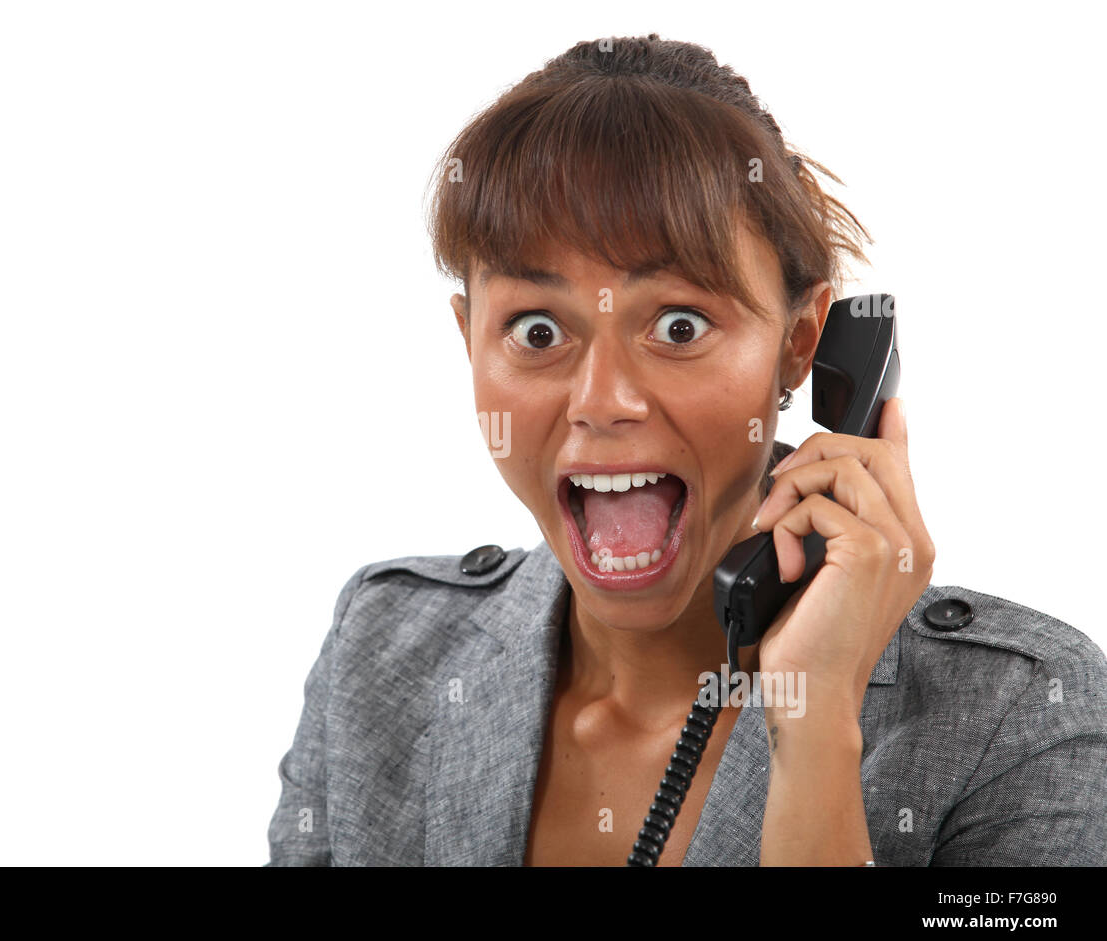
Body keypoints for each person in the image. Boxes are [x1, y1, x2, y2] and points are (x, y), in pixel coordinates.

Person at [265, 34, 1107, 866]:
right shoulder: (382, 646)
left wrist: (813, 724)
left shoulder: (1023, 712)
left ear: (800, 345)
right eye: (538, 330)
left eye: (679, 326)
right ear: (469, 342)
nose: (602, 401)